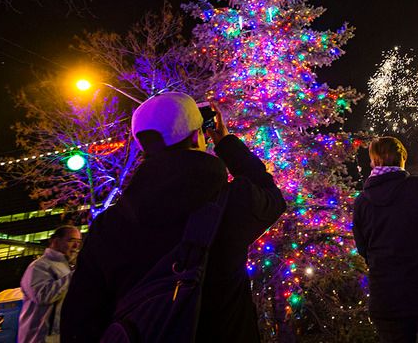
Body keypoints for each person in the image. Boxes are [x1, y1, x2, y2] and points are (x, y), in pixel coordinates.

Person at [61, 92, 286, 342]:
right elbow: (272, 196)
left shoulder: (108, 225)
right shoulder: (232, 202)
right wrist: (224, 142)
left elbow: (79, 320)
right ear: (195, 136)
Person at [353, 137, 418, 343]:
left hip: (387, 299)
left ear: (374, 162)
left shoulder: (362, 202)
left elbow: (363, 249)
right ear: (402, 158)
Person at [18, 225, 81, 343]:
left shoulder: (67, 268)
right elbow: (42, 296)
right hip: (40, 338)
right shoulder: (38, 266)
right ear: (55, 241)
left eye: (79, 241)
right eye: (72, 240)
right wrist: (75, 276)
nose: (76, 246)